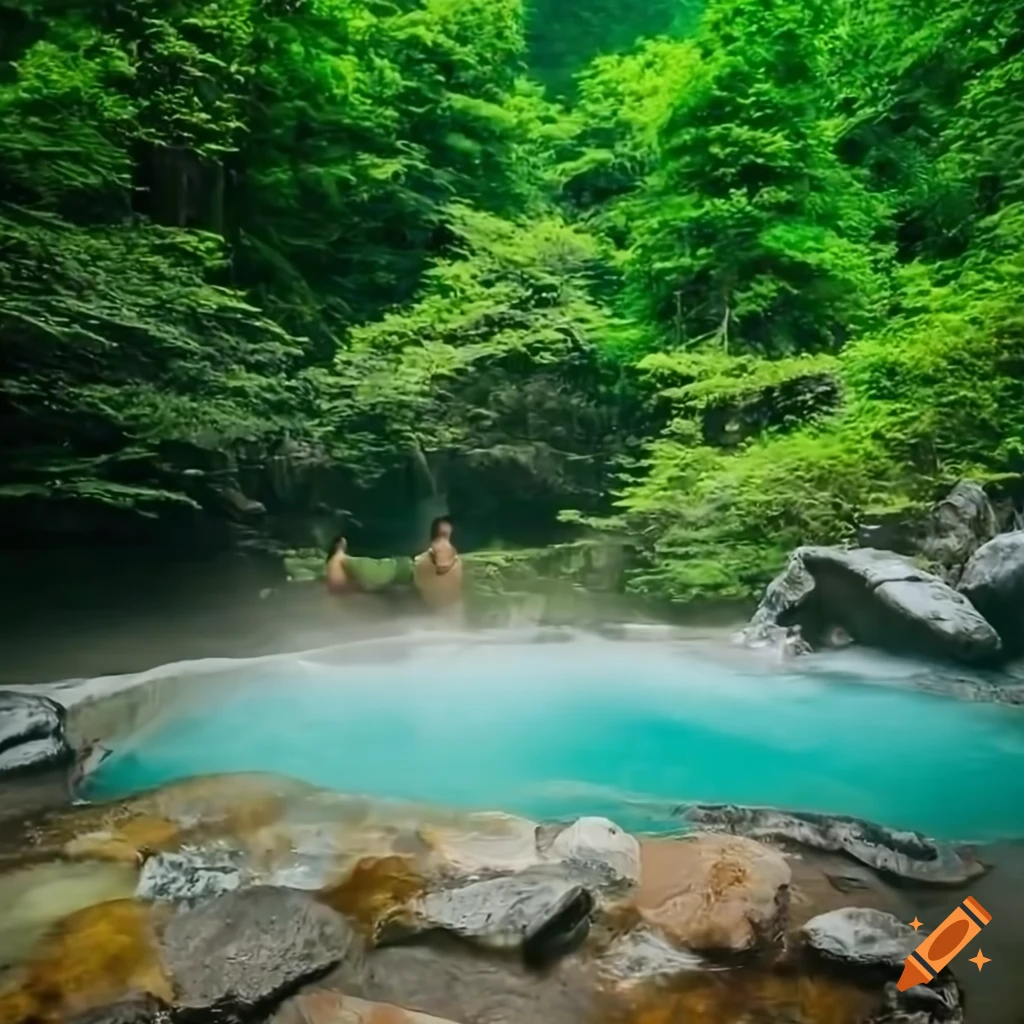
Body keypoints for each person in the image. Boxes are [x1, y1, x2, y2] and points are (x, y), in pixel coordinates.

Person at [414, 515, 464, 616]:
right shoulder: (421, 562)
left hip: (451, 611)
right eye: (440, 536)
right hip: (431, 611)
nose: (442, 542)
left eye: (445, 536)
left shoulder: (459, 563)